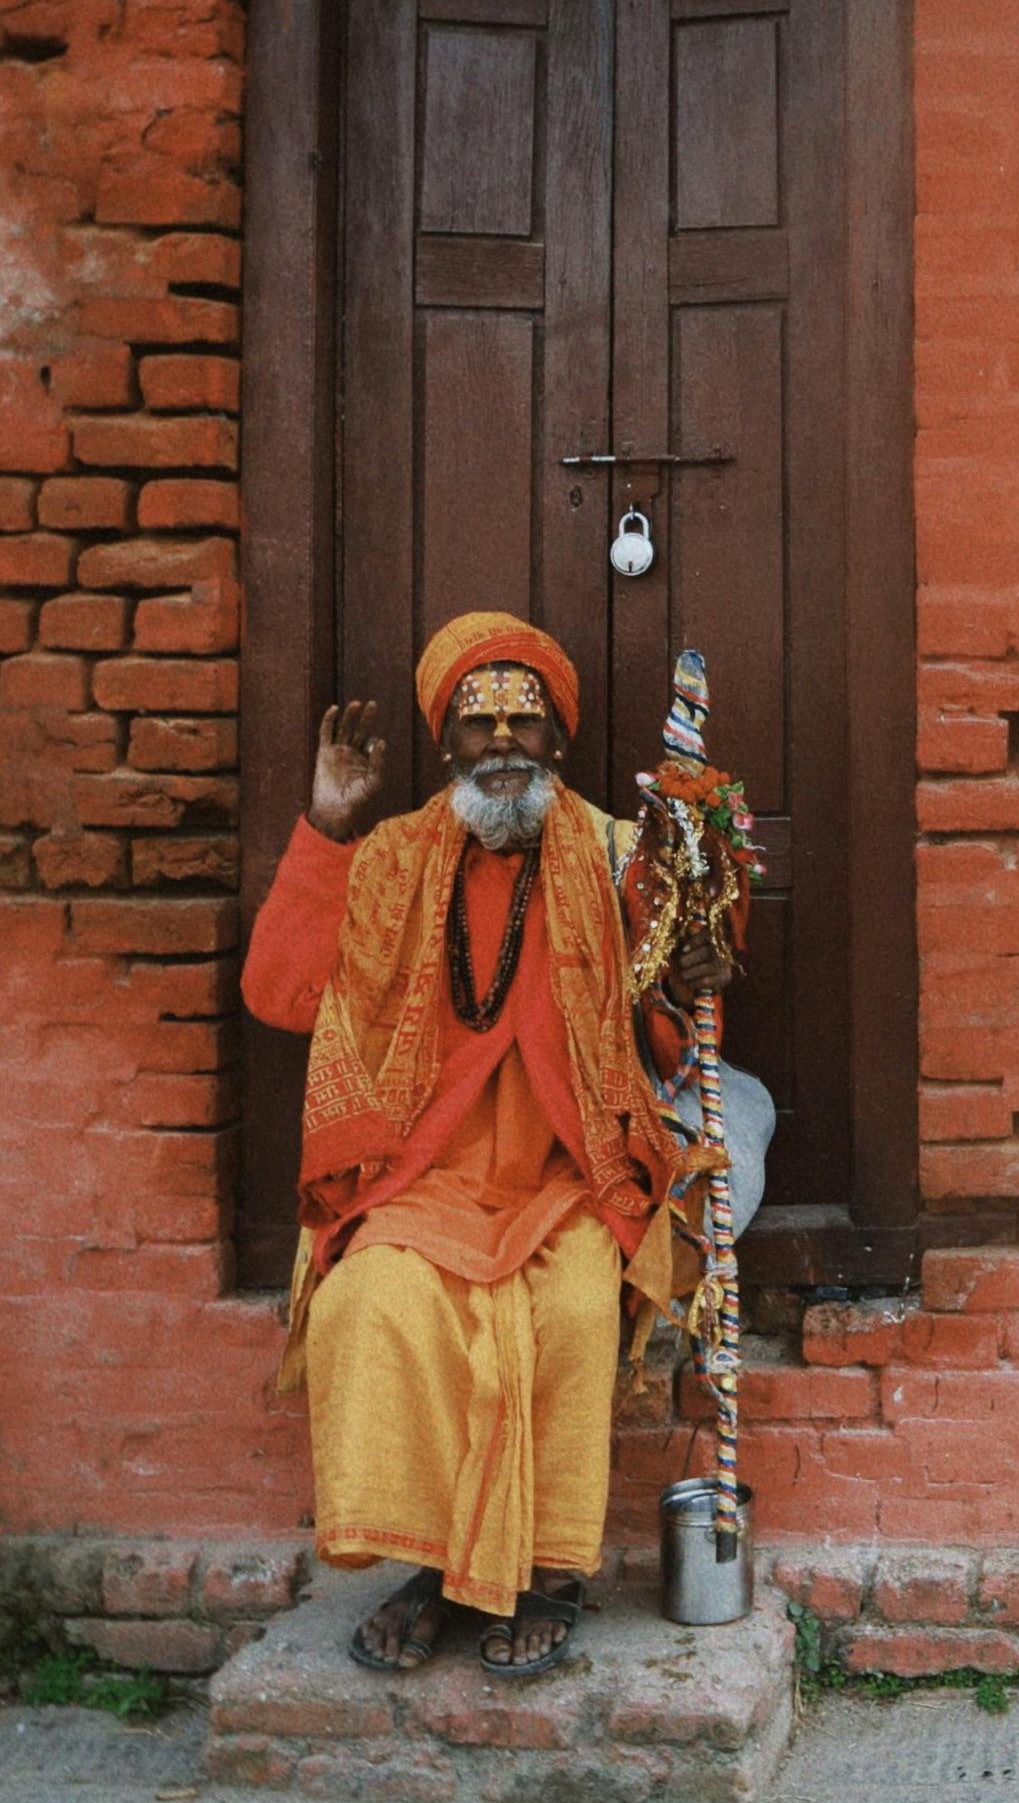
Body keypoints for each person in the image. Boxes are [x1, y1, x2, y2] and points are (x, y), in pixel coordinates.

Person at [239, 610, 730, 1677]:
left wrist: (693, 974)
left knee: (567, 1310)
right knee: (374, 1302)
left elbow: (667, 1023)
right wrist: (326, 828)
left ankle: (544, 1573)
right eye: (478, 726)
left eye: (526, 723)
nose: (503, 744)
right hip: (423, 1180)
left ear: (559, 741)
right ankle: (437, 1567)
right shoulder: (388, 859)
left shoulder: (612, 853)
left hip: (571, 1176)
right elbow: (279, 996)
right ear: (443, 746)